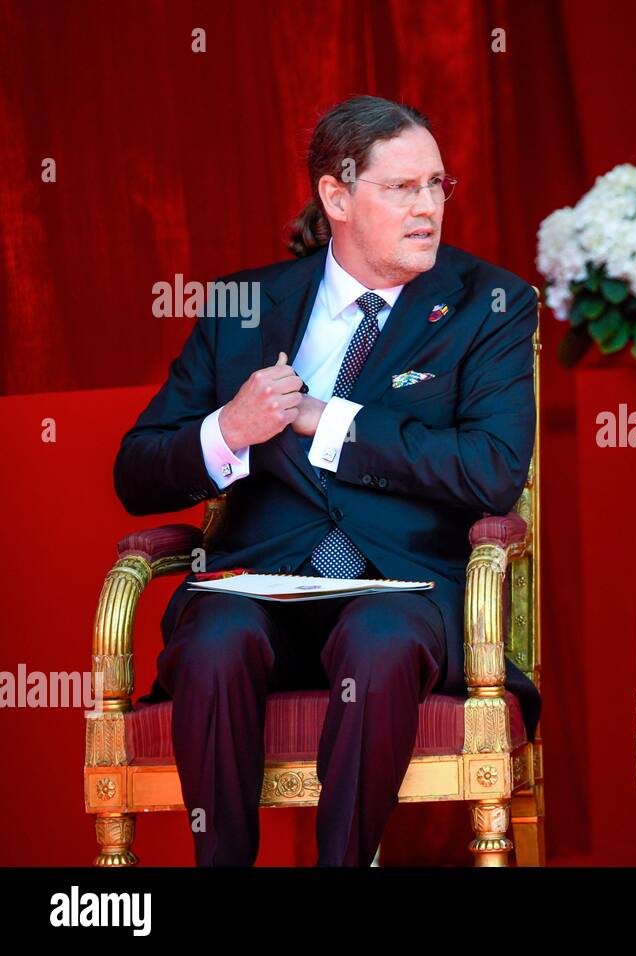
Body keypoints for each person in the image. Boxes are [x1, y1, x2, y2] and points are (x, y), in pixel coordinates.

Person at [113, 95, 540, 866]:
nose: (428, 207)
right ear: (336, 197)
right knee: (212, 640)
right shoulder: (244, 306)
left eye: (438, 185)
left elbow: (494, 471)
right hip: (257, 580)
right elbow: (137, 472)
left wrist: (328, 420)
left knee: (378, 639)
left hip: (404, 590)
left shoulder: (489, 303)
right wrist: (230, 430)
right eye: (401, 188)